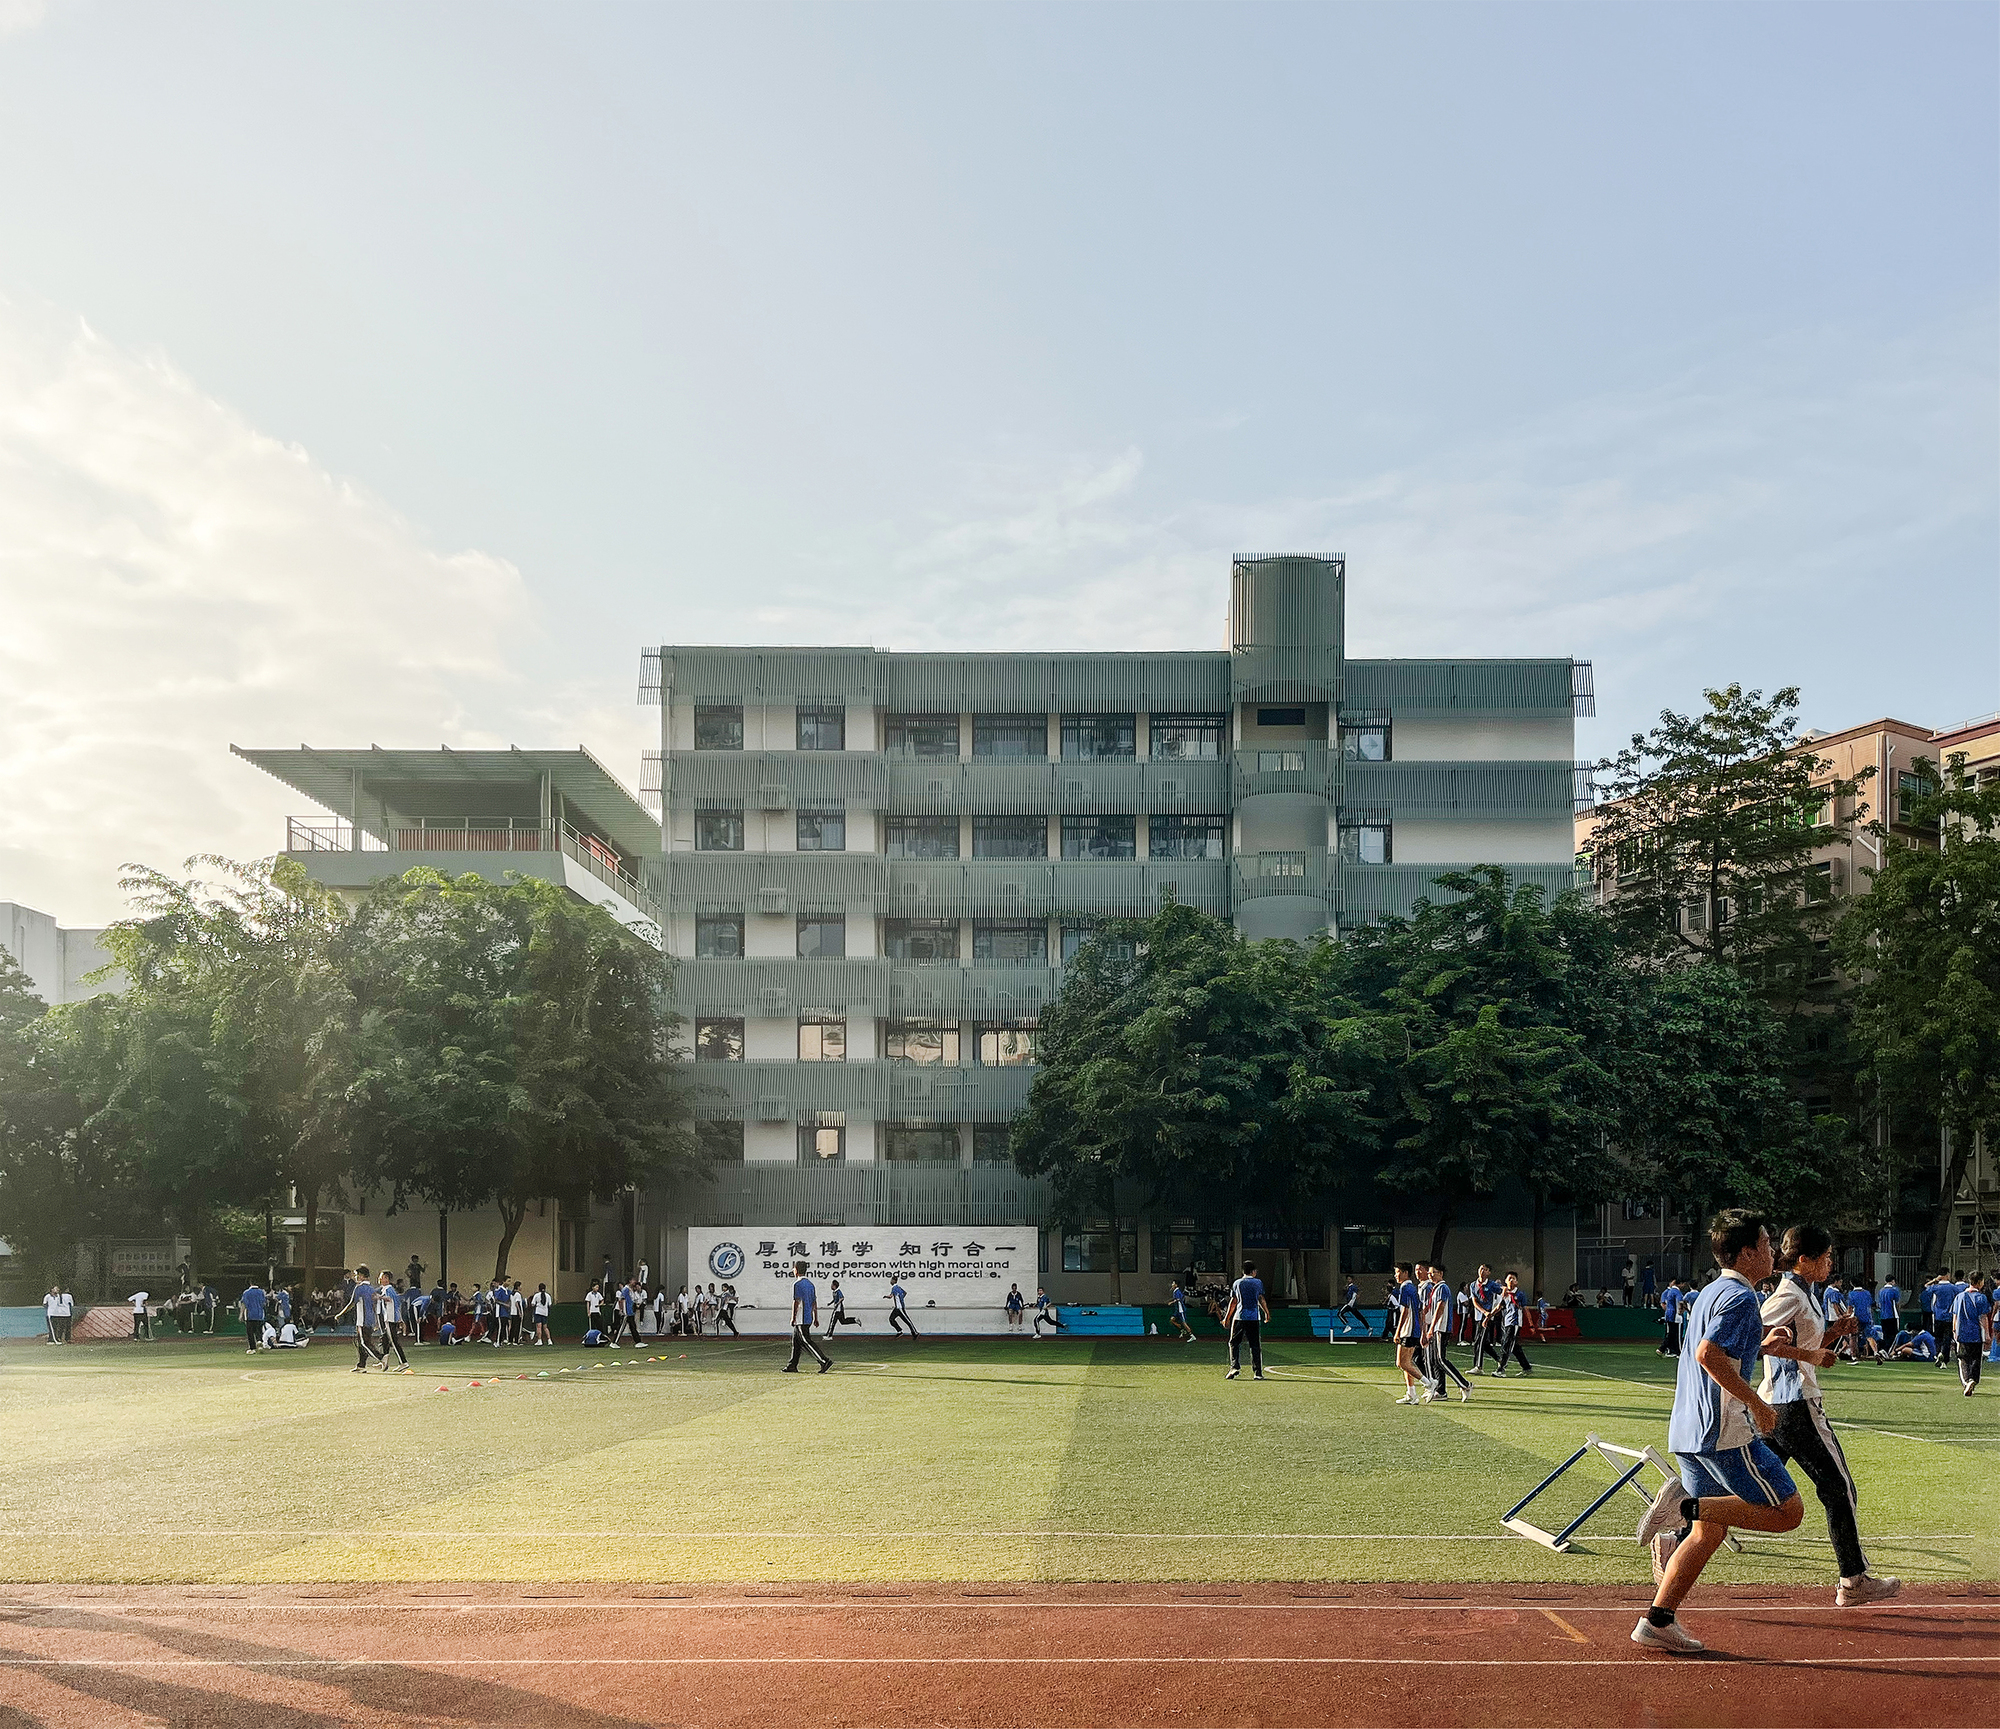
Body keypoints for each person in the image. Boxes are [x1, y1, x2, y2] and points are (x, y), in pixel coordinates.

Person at [1632, 1210, 1806, 1654]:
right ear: (1748, 1253)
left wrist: (1763, 1342)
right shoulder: (1741, 1299)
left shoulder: (1713, 1291)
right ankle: (1683, 1504)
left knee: (1709, 1533)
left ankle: (1657, 1621)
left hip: (1688, 1430)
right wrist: (1757, 1402)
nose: (1772, 1252)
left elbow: (1717, 1346)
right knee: (1788, 1512)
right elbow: (1710, 1354)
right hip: (1722, 1432)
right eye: (1767, 1245)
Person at [1758, 1224, 1901, 1606]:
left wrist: (1834, 1332)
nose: (1830, 1262)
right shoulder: (1788, 1294)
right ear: (1804, 1260)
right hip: (1796, 1405)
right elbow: (1759, 1341)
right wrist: (1809, 1356)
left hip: (1780, 1404)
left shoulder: (1806, 1292)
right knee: (1839, 1488)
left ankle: (1681, 1524)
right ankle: (1854, 1579)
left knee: (1750, 1486)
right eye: (1825, 1256)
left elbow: (1803, 1345)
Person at [1426, 1264, 1472, 1402]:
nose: (1430, 1275)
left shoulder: (1442, 1288)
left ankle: (1465, 1384)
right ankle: (1441, 1391)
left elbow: (1440, 1308)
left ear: (1440, 1273)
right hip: (1437, 1328)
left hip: (1441, 1327)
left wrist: (1432, 1327)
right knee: (1435, 1360)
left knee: (1440, 1359)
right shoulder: (1435, 1288)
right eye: (1429, 1273)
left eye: (1433, 1272)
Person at [1222, 1259, 1269, 1382]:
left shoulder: (1237, 1283)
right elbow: (1261, 1298)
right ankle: (1257, 1372)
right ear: (1253, 1271)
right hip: (1254, 1317)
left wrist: (1226, 1318)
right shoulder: (1258, 1283)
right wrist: (1267, 1313)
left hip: (1240, 1316)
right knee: (1255, 1345)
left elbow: (1233, 1301)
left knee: (1234, 1342)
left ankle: (1234, 1366)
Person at [785, 1259, 831, 1373]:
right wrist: (815, 1317)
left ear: (796, 1270)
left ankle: (824, 1361)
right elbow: (814, 1302)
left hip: (801, 1317)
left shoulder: (797, 1284)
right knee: (796, 1342)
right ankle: (792, 1365)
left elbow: (796, 1302)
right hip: (808, 1316)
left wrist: (793, 1317)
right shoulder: (811, 1284)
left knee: (806, 1341)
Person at [337, 1267, 386, 1372]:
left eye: (357, 1275)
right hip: (370, 1320)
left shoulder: (359, 1288)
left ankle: (382, 1358)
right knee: (361, 1343)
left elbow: (352, 1303)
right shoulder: (372, 1289)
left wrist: (340, 1314)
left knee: (364, 1343)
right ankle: (361, 1365)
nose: (356, 1277)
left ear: (362, 1276)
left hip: (362, 1320)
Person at [1390, 1262, 1425, 1405]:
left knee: (1402, 1363)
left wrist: (1397, 1332)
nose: (1395, 1275)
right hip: (1413, 1328)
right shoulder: (1412, 1288)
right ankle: (1411, 1394)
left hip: (1408, 1329)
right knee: (1404, 1363)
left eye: (1397, 1272)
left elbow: (1405, 1311)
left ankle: (1428, 1382)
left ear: (1405, 1273)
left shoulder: (1405, 1287)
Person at [1952, 1275, 1993, 1396]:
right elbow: (1983, 1317)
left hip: (1962, 1332)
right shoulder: (1981, 1298)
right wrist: (1987, 1334)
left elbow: (1955, 1316)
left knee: (1963, 1359)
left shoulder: (1959, 1297)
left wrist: (1954, 1331)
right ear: (1980, 1282)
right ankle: (1973, 1379)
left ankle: (1967, 1380)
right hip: (1976, 1333)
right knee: (1976, 1358)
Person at [1491, 1272, 1533, 1376]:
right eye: (1509, 1278)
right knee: (1514, 1347)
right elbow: (1499, 1307)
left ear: (1517, 1282)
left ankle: (1501, 1369)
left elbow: (1525, 1309)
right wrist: (1488, 1316)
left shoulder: (1520, 1294)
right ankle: (1526, 1367)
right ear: (1505, 1281)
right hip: (1506, 1322)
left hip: (1514, 1323)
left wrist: (1531, 1324)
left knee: (1506, 1344)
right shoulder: (1504, 1294)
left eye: (1513, 1278)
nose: (1510, 1280)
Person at [1468, 1264, 1499, 1370]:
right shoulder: (1473, 1285)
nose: (1482, 1271)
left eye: (1485, 1270)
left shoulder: (1492, 1285)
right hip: (1479, 1315)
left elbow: (1502, 1292)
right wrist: (1483, 1311)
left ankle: (1478, 1366)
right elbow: (1474, 1301)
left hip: (1488, 1316)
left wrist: (1490, 1313)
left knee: (1479, 1341)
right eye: (1481, 1269)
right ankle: (1499, 1359)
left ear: (1489, 1272)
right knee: (1482, 1342)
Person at [377, 1277, 410, 1370]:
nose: (379, 1279)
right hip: (388, 1317)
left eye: (382, 1277)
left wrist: (379, 1297)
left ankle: (403, 1362)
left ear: (387, 1279)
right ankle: (384, 1361)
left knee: (394, 1341)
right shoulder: (385, 1289)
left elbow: (390, 1299)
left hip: (390, 1318)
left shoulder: (389, 1289)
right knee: (384, 1340)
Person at [1659, 1278, 1683, 1357]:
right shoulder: (1676, 1292)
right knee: (1675, 1334)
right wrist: (1681, 1310)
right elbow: (1680, 1302)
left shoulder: (1669, 1292)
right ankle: (1673, 1350)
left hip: (1670, 1314)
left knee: (1671, 1333)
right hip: (1675, 1315)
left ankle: (1667, 1349)